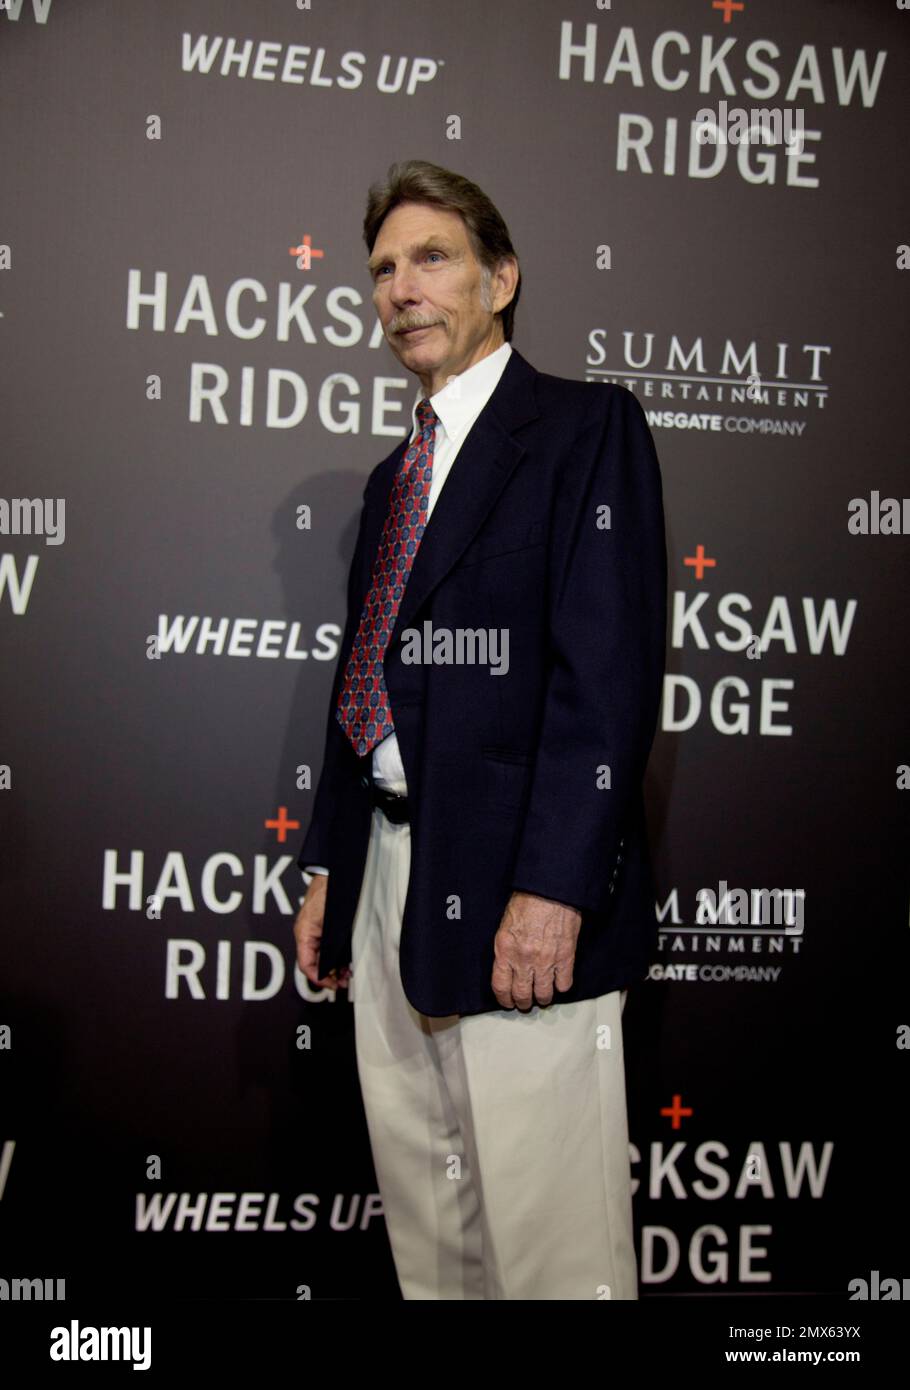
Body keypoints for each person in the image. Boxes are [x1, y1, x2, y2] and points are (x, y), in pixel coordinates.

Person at [293, 159, 667, 1300]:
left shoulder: (583, 431)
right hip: (389, 888)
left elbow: (602, 680)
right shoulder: (386, 480)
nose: (400, 288)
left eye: (432, 258)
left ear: (501, 278)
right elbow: (365, 689)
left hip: (518, 889)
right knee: (434, 1250)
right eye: (381, 270)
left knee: (552, 1261)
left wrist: (553, 890)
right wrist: (330, 865)